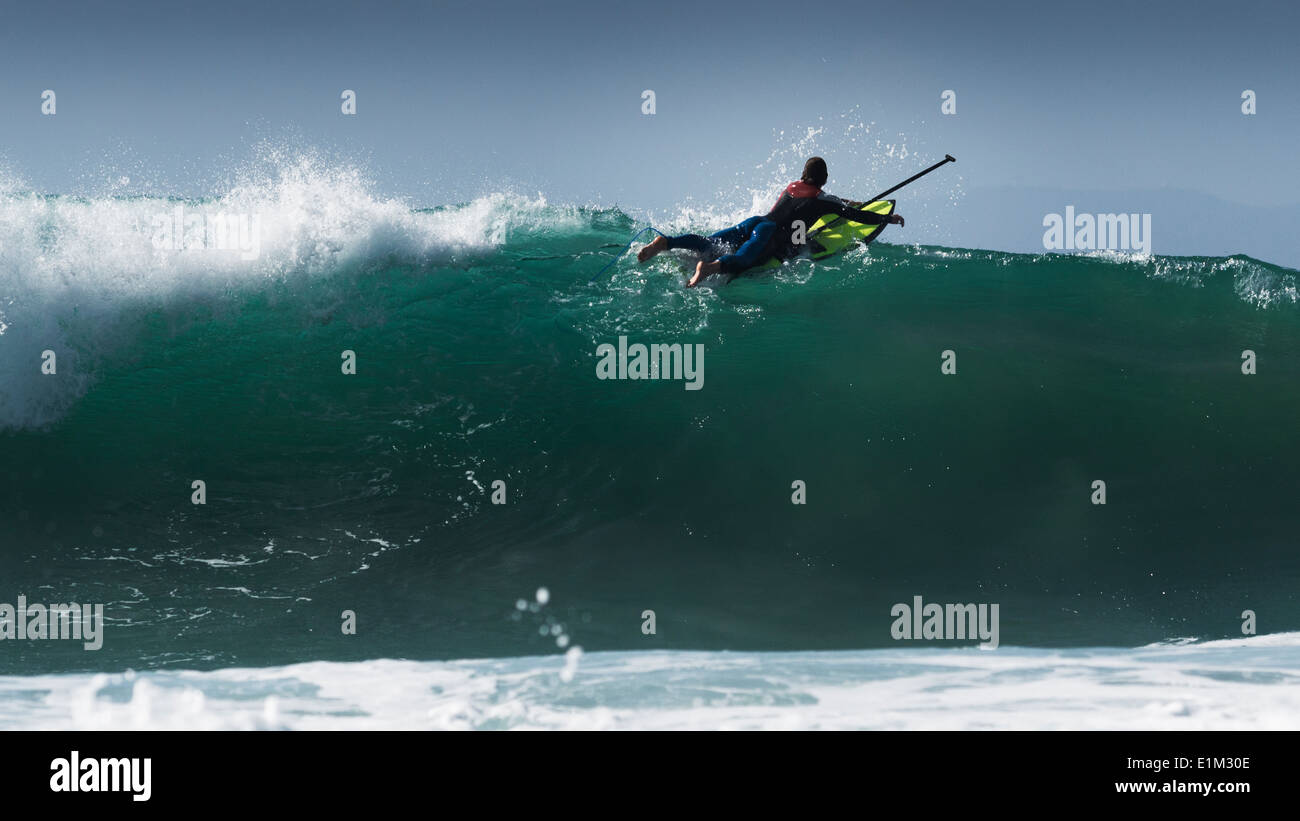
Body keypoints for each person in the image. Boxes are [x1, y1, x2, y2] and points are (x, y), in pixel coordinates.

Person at [637, 157, 904, 287]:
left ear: (804, 175)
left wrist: (849, 202)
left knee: (709, 241)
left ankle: (665, 243)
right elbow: (852, 215)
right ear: (824, 178)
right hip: (769, 236)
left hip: (755, 222)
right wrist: (885, 218)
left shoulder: (791, 186)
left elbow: (833, 201)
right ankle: (707, 268)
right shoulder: (825, 200)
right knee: (743, 260)